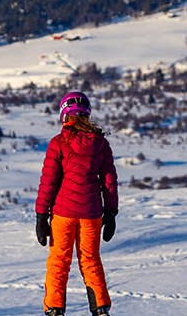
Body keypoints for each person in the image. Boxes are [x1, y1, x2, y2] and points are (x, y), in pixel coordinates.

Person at [35, 90, 119, 316]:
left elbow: (49, 181)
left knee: (59, 261)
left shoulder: (59, 143)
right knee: (91, 260)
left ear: (64, 115)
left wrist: (41, 215)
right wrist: (111, 212)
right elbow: (109, 181)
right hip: (92, 214)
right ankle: (100, 309)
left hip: (63, 214)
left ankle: (54, 309)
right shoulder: (101, 144)